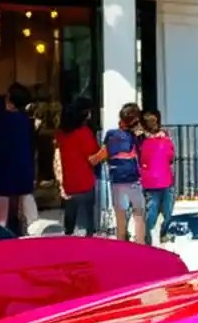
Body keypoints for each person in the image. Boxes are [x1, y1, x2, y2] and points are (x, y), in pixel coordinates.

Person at [0, 83, 38, 234]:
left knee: (1, 217)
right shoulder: (26, 122)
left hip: (1, 172)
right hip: (23, 172)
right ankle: (35, 239)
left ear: (9, 100)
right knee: (28, 214)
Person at [53, 97, 103, 236]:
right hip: (85, 180)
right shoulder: (84, 133)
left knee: (70, 215)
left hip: (69, 180)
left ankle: (68, 237)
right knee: (88, 217)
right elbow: (93, 158)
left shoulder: (61, 133)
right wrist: (106, 151)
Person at [103, 102, 146, 242]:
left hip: (117, 179)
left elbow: (106, 153)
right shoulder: (137, 137)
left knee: (120, 216)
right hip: (134, 179)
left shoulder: (111, 134)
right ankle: (140, 245)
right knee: (138, 215)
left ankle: (122, 245)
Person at [139, 109, 175, 245]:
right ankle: (161, 235)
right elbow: (171, 157)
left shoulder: (141, 141)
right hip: (162, 181)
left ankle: (147, 238)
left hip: (152, 182)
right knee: (166, 212)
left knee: (152, 213)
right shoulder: (164, 140)